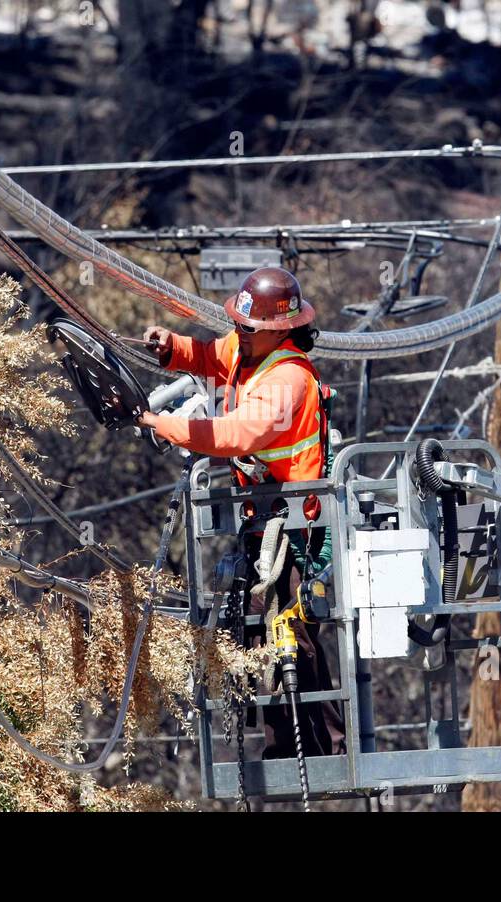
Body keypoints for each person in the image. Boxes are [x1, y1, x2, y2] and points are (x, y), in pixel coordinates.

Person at [136, 266, 346, 759]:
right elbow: (209, 357)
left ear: (278, 330)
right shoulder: (249, 351)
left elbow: (238, 435)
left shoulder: (288, 378)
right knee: (262, 631)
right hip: (265, 525)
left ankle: (323, 747)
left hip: (296, 532)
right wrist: (170, 348)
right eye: (238, 325)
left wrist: (162, 424)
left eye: (246, 328)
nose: (237, 333)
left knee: (289, 633)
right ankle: (285, 745)